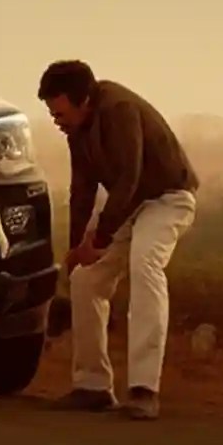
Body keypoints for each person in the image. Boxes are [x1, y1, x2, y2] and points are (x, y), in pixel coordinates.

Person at [36, 60, 199, 420]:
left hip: (167, 199)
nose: (55, 119)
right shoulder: (77, 129)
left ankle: (144, 390)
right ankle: (92, 386)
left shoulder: (119, 109)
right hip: (127, 206)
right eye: (51, 112)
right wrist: (78, 249)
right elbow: (82, 191)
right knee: (85, 280)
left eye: (58, 110)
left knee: (145, 265)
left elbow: (130, 176)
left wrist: (102, 236)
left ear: (85, 100)